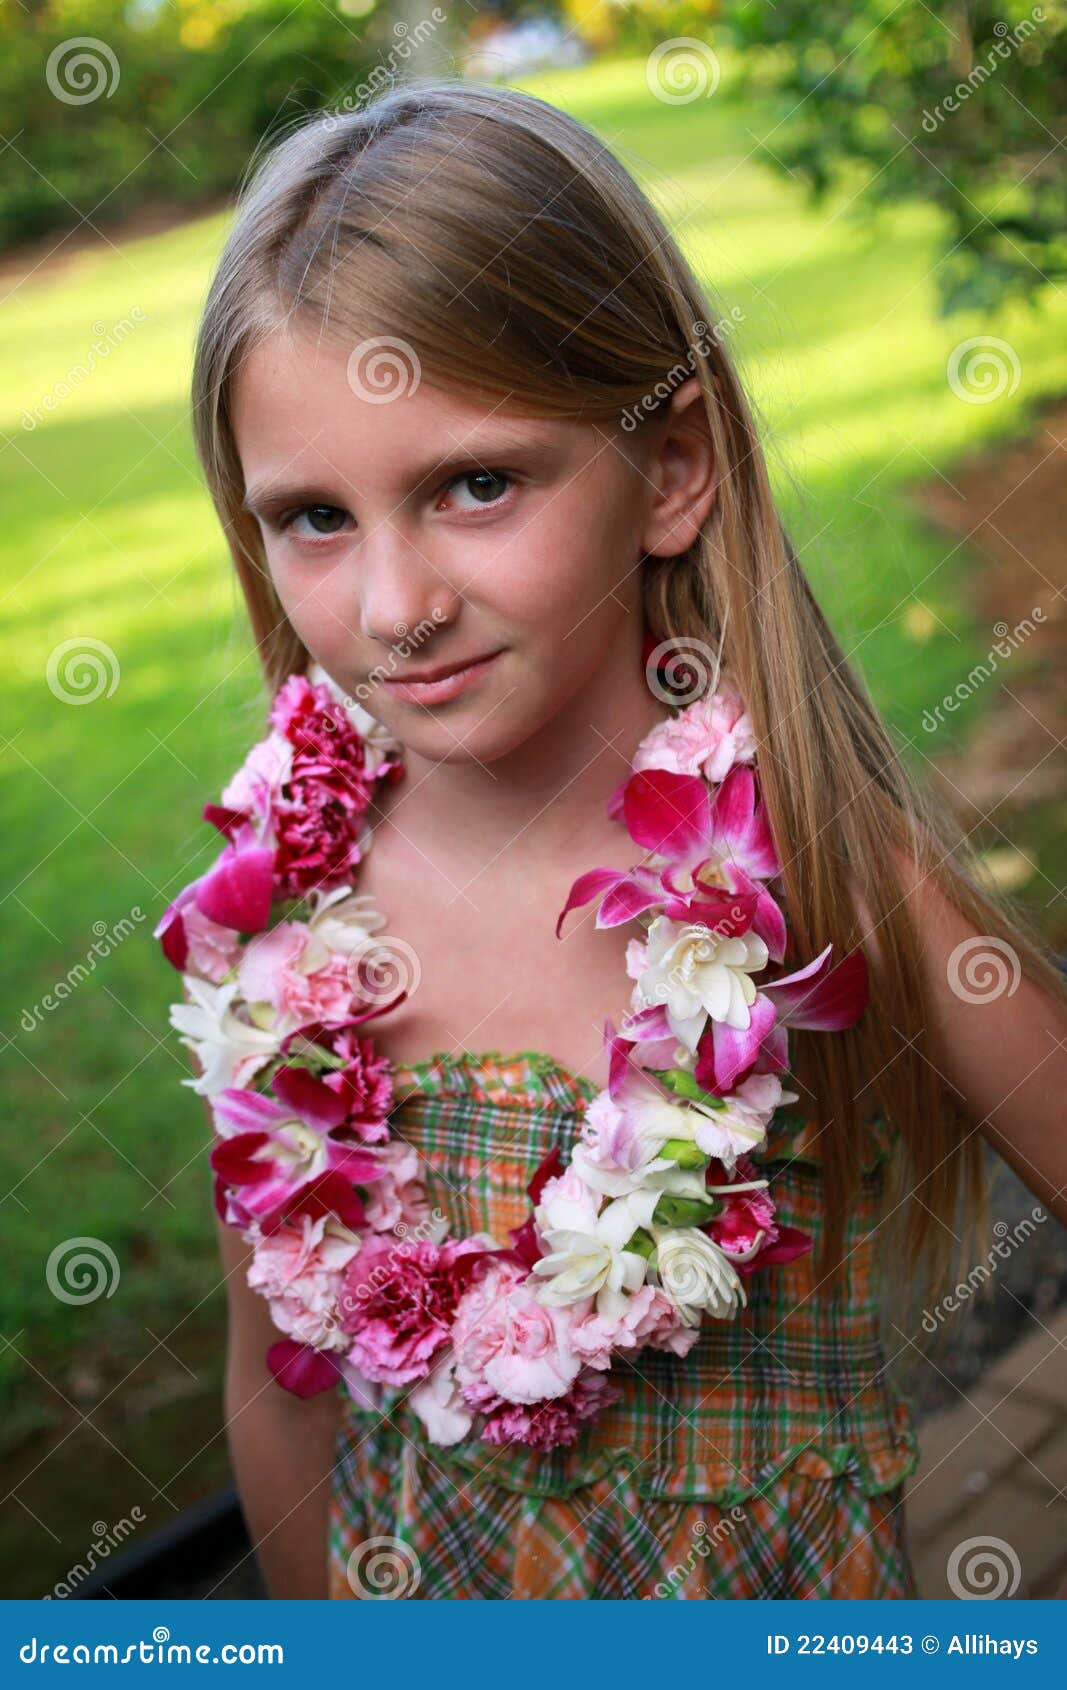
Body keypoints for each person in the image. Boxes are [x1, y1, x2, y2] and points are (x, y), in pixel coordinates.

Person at [183, 77, 1067, 1599]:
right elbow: (276, 1385)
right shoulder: (284, 925)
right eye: (313, 517)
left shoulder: (827, 877)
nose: (395, 604)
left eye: (475, 484)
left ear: (670, 470)